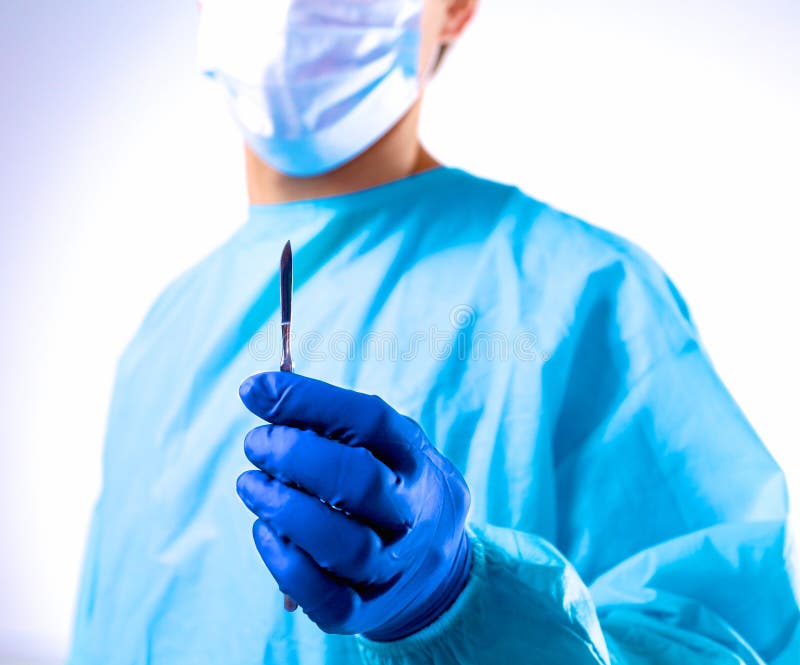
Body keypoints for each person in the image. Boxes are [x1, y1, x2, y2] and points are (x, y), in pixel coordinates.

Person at [68, 0, 799, 663]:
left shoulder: (583, 295)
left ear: (453, 8)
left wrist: (461, 605)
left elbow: (719, 647)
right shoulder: (163, 330)